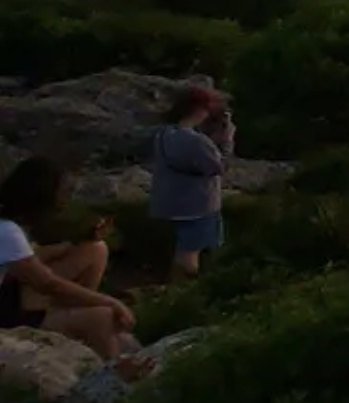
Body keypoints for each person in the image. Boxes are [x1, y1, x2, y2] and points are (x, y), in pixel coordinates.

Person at [1, 156, 149, 376]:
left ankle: (79, 322)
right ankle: (115, 377)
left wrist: (78, 241)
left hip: (12, 299)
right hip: (8, 314)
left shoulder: (9, 225)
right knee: (101, 316)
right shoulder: (8, 232)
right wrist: (110, 301)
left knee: (96, 249)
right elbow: (47, 283)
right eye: (63, 192)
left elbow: (31, 258)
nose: (65, 200)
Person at [149, 84, 234, 277]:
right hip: (197, 207)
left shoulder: (164, 134)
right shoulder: (196, 141)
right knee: (189, 256)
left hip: (171, 204)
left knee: (182, 251)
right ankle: (184, 290)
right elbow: (220, 167)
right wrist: (227, 140)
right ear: (199, 109)